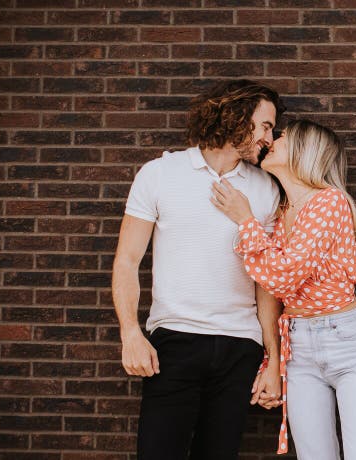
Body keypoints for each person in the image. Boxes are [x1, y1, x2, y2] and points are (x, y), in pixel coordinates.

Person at [112, 80, 286, 460]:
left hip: (240, 347)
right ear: (236, 116)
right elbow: (127, 261)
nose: (269, 139)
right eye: (266, 126)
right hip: (173, 343)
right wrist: (130, 333)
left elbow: (266, 283)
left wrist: (272, 360)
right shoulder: (159, 173)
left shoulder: (265, 188)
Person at [210, 119, 356, 459]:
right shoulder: (280, 214)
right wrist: (273, 363)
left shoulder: (329, 202)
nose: (272, 140)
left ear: (305, 151)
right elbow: (268, 290)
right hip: (299, 347)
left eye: (282, 137)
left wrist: (245, 219)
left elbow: (283, 276)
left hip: (348, 344)